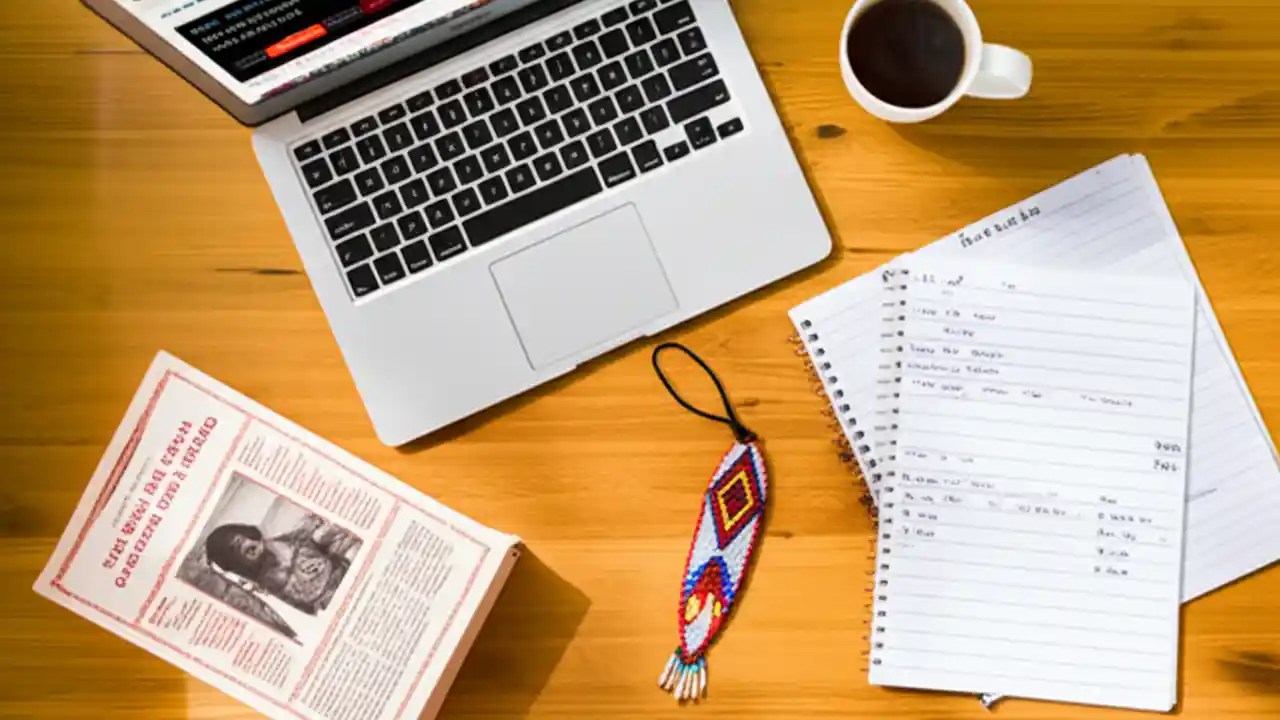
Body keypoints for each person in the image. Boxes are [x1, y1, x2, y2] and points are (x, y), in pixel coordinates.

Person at [205, 515, 360, 615]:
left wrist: (317, 539)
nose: (242, 546)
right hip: (331, 601)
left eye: (240, 540)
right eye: (234, 551)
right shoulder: (263, 585)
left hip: (341, 569)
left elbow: (309, 538)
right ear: (237, 565)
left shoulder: (280, 541)